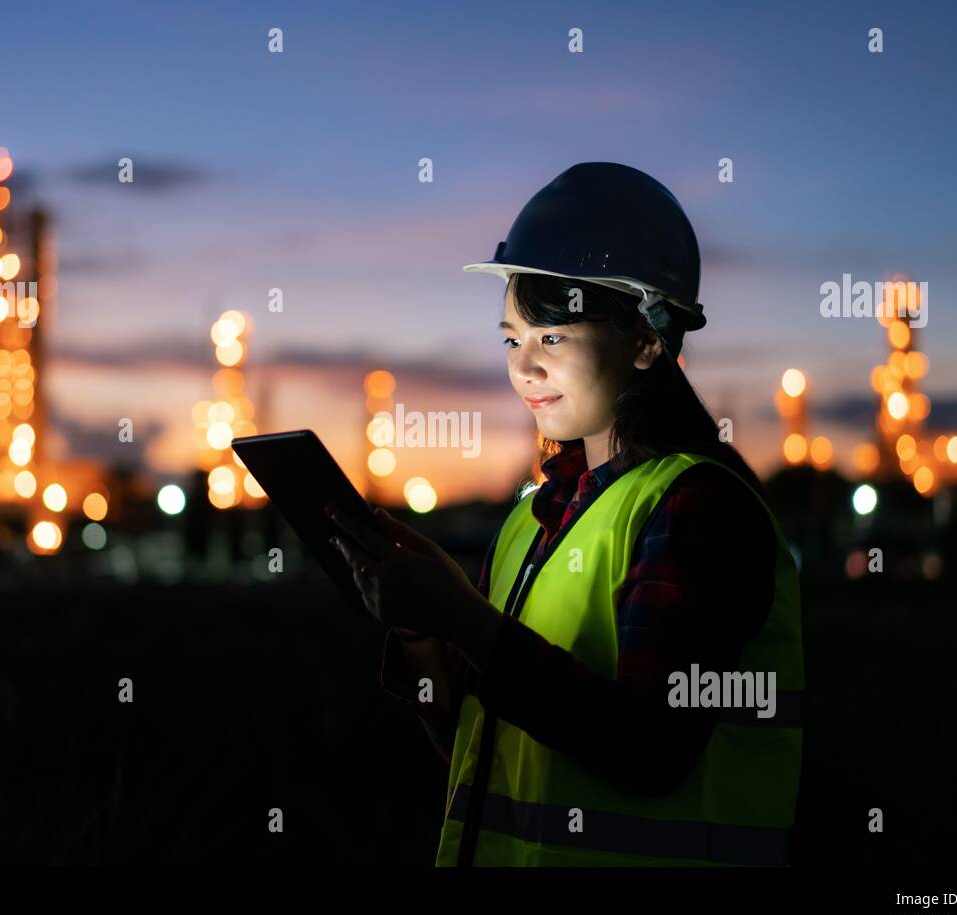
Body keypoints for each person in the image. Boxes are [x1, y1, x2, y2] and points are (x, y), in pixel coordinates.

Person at [328, 162, 804, 867]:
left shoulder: (700, 507)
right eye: (511, 339)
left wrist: (465, 618)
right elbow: (476, 741)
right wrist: (424, 627)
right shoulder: (535, 519)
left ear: (647, 340)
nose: (524, 367)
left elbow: (648, 747)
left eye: (552, 336)